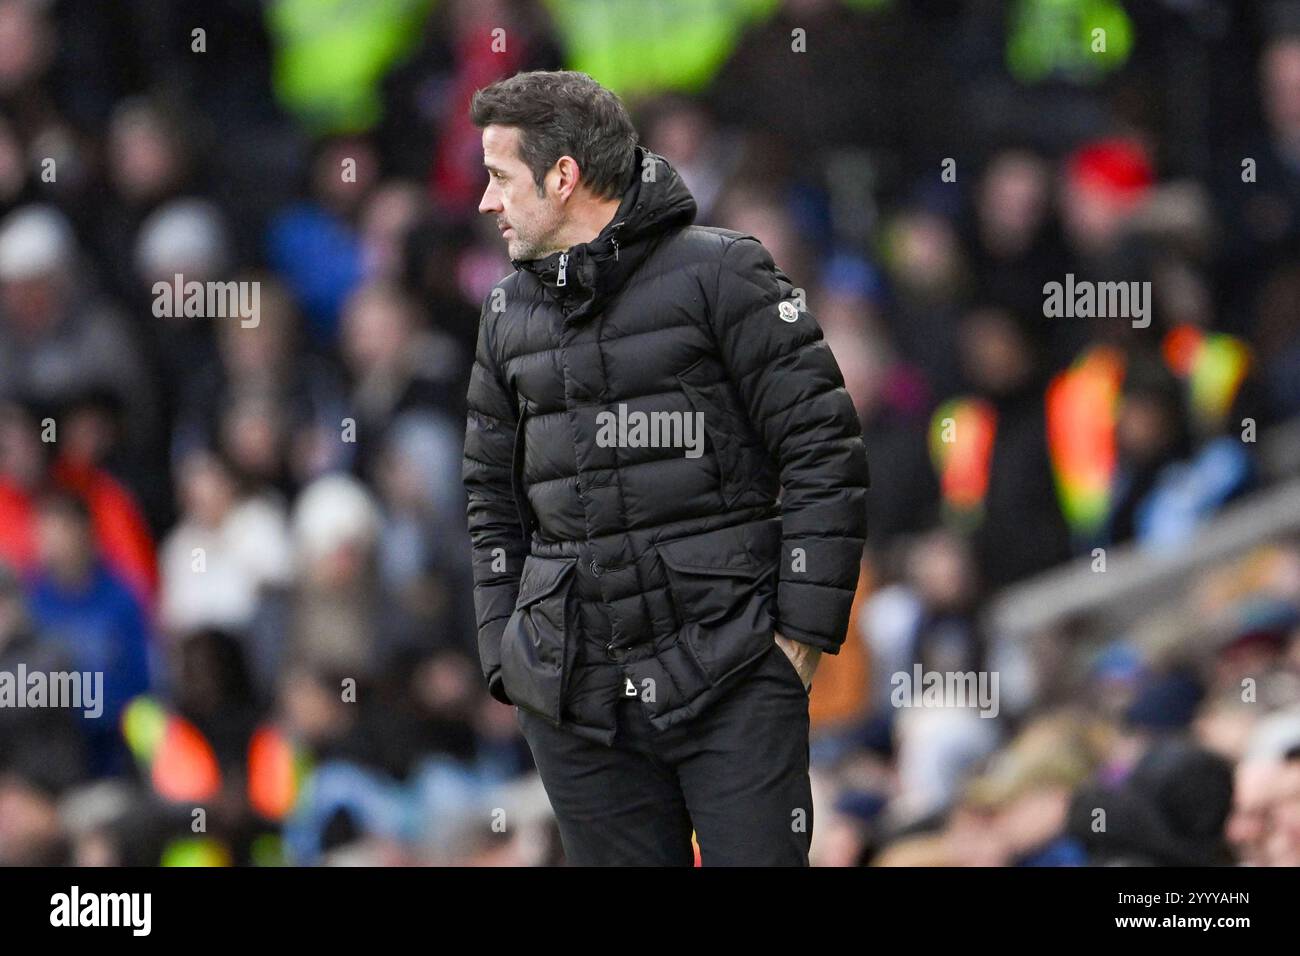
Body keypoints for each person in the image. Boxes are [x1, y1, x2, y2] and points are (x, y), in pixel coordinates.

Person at [462, 70, 869, 865]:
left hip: (735, 675)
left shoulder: (724, 273)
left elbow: (823, 447)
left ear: (564, 177)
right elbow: (488, 496)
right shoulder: (505, 313)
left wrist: (798, 640)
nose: (486, 201)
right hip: (575, 698)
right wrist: (508, 656)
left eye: (499, 177)